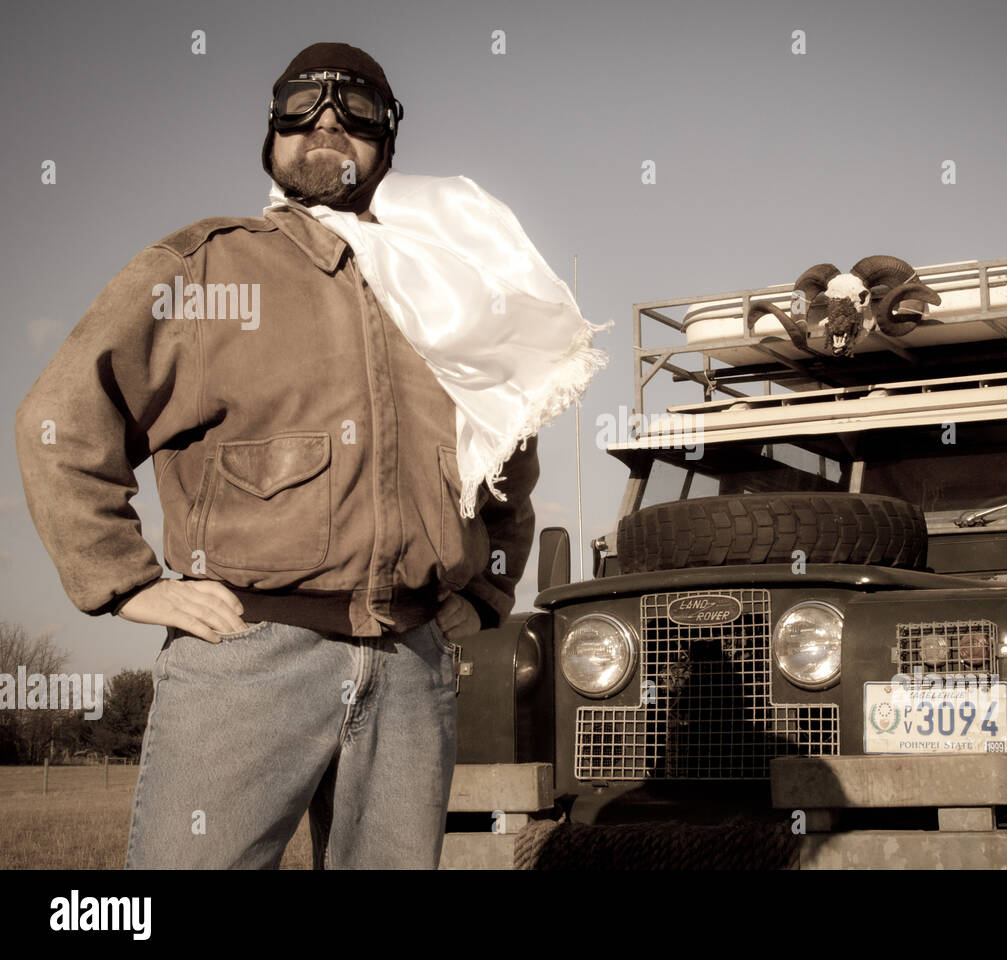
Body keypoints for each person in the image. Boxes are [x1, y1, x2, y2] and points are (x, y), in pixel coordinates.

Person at [13, 42, 601, 869]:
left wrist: (492, 586)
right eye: (302, 105)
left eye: (356, 109)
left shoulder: (450, 289)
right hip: (248, 655)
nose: (327, 120)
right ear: (272, 133)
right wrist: (127, 584)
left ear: (388, 139)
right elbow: (62, 419)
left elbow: (510, 448)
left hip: (411, 663)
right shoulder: (206, 267)